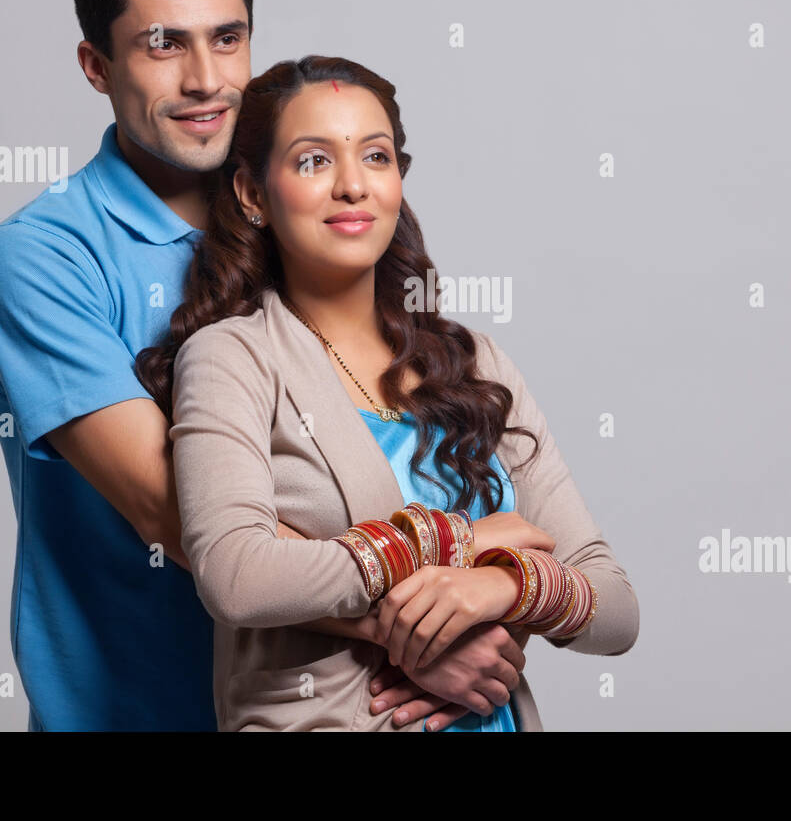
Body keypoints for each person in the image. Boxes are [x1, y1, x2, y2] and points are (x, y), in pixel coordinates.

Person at [0, 0, 492, 731]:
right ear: (97, 66)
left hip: (341, 710)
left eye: (227, 39)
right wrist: (429, 627)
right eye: (162, 45)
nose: (206, 81)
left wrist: (490, 593)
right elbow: (178, 513)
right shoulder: (40, 258)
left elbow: (416, 444)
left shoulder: (303, 212)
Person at [135, 55, 640, 730]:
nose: (352, 186)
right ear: (254, 194)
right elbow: (235, 573)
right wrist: (464, 542)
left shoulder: (476, 365)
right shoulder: (233, 358)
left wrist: (503, 584)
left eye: (375, 156)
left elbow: (616, 608)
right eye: (314, 161)